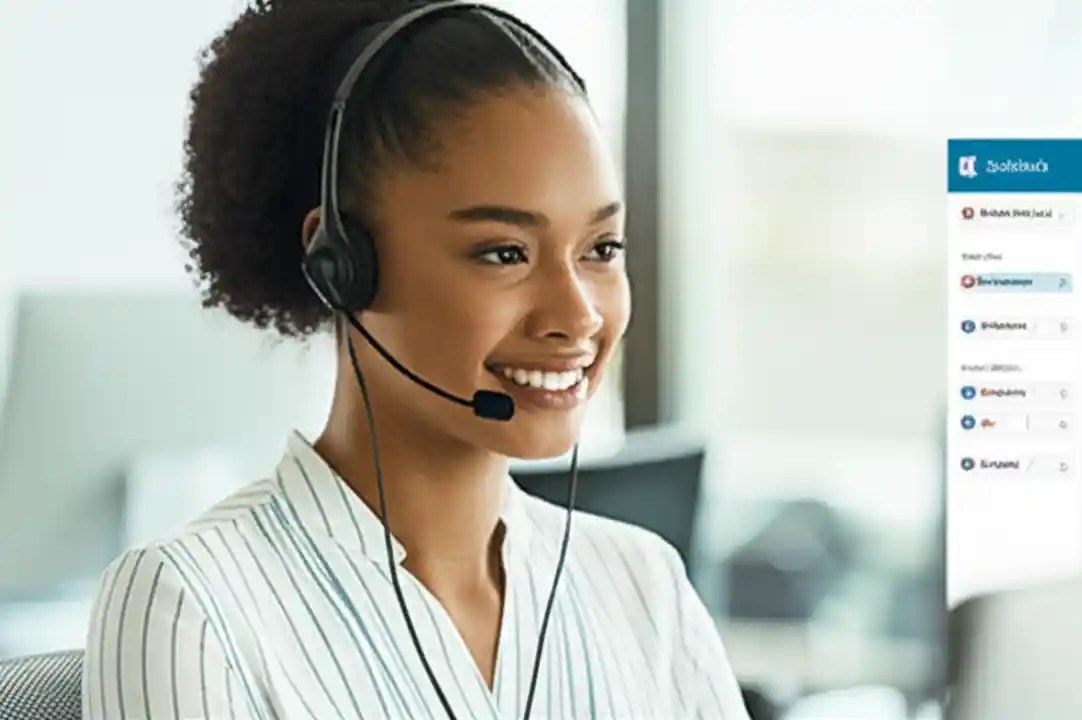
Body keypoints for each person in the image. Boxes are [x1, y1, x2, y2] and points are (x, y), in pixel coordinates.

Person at [81, 1, 750, 718]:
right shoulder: (192, 604)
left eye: (600, 250)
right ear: (341, 265)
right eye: (505, 253)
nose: (578, 315)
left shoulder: (641, 585)